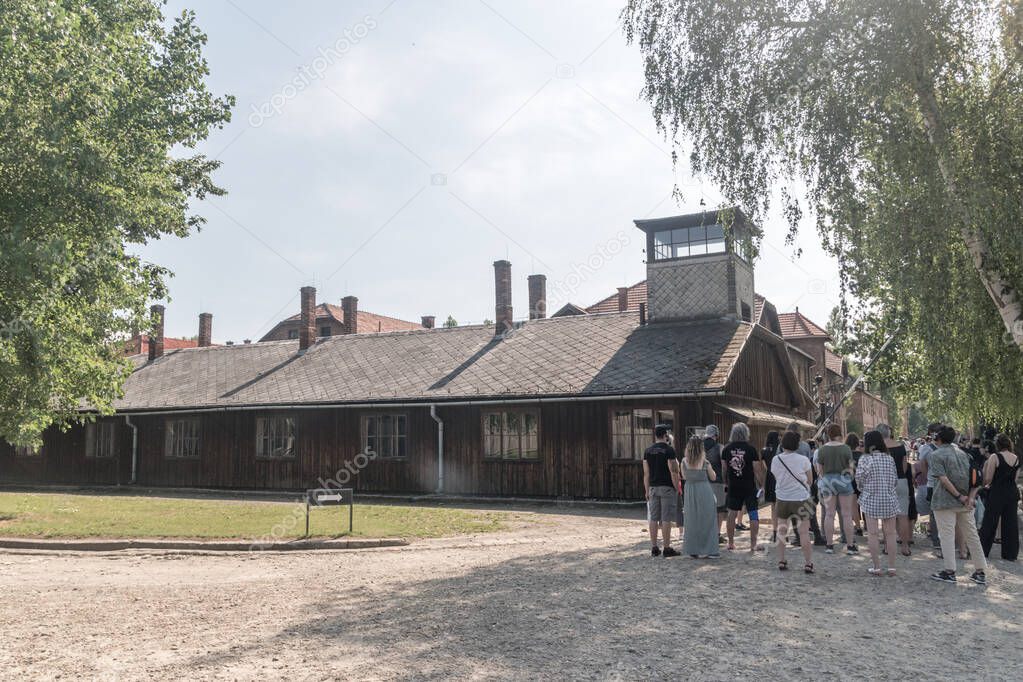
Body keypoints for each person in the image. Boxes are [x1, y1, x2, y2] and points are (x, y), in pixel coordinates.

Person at [928, 426, 987, 584]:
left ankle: (950, 571)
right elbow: (976, 478)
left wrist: (959, 496)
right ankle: (980, 571)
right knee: (972, 535)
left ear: (939, 439)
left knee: (946, 535)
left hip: (945, 501)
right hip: (966, 501)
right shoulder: (964, 454)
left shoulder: (936, 455)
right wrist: (969, 498)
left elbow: (943, 479)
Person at [856, 431, 901, 576]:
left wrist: (864, 489)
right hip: (889, 499)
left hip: (871, 499)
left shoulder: (864, 459)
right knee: (891, 534)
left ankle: (877, 567)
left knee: (873, 534)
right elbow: (895, 480)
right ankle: (892, 567)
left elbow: (859, 480)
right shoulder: (889, 459)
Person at [772, 431, 815, 574]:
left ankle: (781, 560)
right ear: (797, 444)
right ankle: (808, 563)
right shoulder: (803, 460)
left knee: (781, 530)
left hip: (782, 498)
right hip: (801, 498)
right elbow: (810, 481)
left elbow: (776, 477)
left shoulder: (776, 459)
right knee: (804, 533)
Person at [816, 423, 858, 555]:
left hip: (828, 481)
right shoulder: (846, 448)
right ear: (840, 433)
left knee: (829, 514)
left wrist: (826, 479)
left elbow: (819, 470)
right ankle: (850, 545)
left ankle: (829, 545)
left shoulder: (822, 450)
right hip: (843, 480)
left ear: (828, 434)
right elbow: (851, 468)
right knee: (846, 514)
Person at [721, 423, 764, 552]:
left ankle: (730, 543)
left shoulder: (726, 449)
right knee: (753, 513)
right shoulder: (751, 449)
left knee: (731, 514)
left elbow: (724, 469)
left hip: (733, 485)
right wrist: (762, 484)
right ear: (746, 433)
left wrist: (725, 482)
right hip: (749, 486)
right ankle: (753, 544)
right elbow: (757, 470)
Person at [979, 433, 1020, 561]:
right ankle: (1010, 553)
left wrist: (986, 485)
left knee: (990, 521)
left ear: (997, 445)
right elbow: (1015, 478)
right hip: (1012, 493)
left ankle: (983, 550)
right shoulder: (1016, 458)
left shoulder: (994, 457)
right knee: (1011, 523)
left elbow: (988, 478)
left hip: (997, 492)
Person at [643, 424, 681, 558]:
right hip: (667, 487)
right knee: (666, 518)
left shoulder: (647, 451)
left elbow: (646, 473)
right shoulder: (669, 450)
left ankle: (654, 547)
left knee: (653, 518)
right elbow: (674, 471)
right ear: (666, 435)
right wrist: (677, 487)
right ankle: (666, 547)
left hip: (653, 487)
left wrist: (647, 490)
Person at [681, 435, 721, 559]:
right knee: (708, 520)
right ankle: (711, 550)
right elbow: (713, 477)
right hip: (704, 490)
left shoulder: (684, 462)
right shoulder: (705, 462)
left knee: (691, 521)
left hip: (690, 491)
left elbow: (684, 477)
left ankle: (693, 549)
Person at [877, 423, 912, 555]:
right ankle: (905, 547)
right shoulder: (901, 447)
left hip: (884, 484)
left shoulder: (878, 449)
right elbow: (904, 467)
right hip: (901, 481)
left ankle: (887, 546)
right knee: (903, 516)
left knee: (886, 517)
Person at [703, 424, 727, 543]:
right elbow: (724, 465)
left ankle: (706, 533)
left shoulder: (699, 447)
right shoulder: (720, 447)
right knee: (720, 509)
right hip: (717, 481)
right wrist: (725, 480)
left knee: (706, 510)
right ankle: (716, 534)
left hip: (702, 482)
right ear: (716, 435)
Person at [762, 431, 780, 542]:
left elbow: (765, 467)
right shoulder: (780, 450)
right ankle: (783, 532)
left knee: (773, 507)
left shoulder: (764, 451)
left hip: (770, 477)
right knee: (781, 505)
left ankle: (775, 532)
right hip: (779, 477)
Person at [846, 433, 865, 537]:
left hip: (851, 482)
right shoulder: (862, 455)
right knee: (865, 505)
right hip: (863, 482)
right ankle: (867, 524)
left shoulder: (847, 456)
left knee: (854, 506)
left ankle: (858, 527)